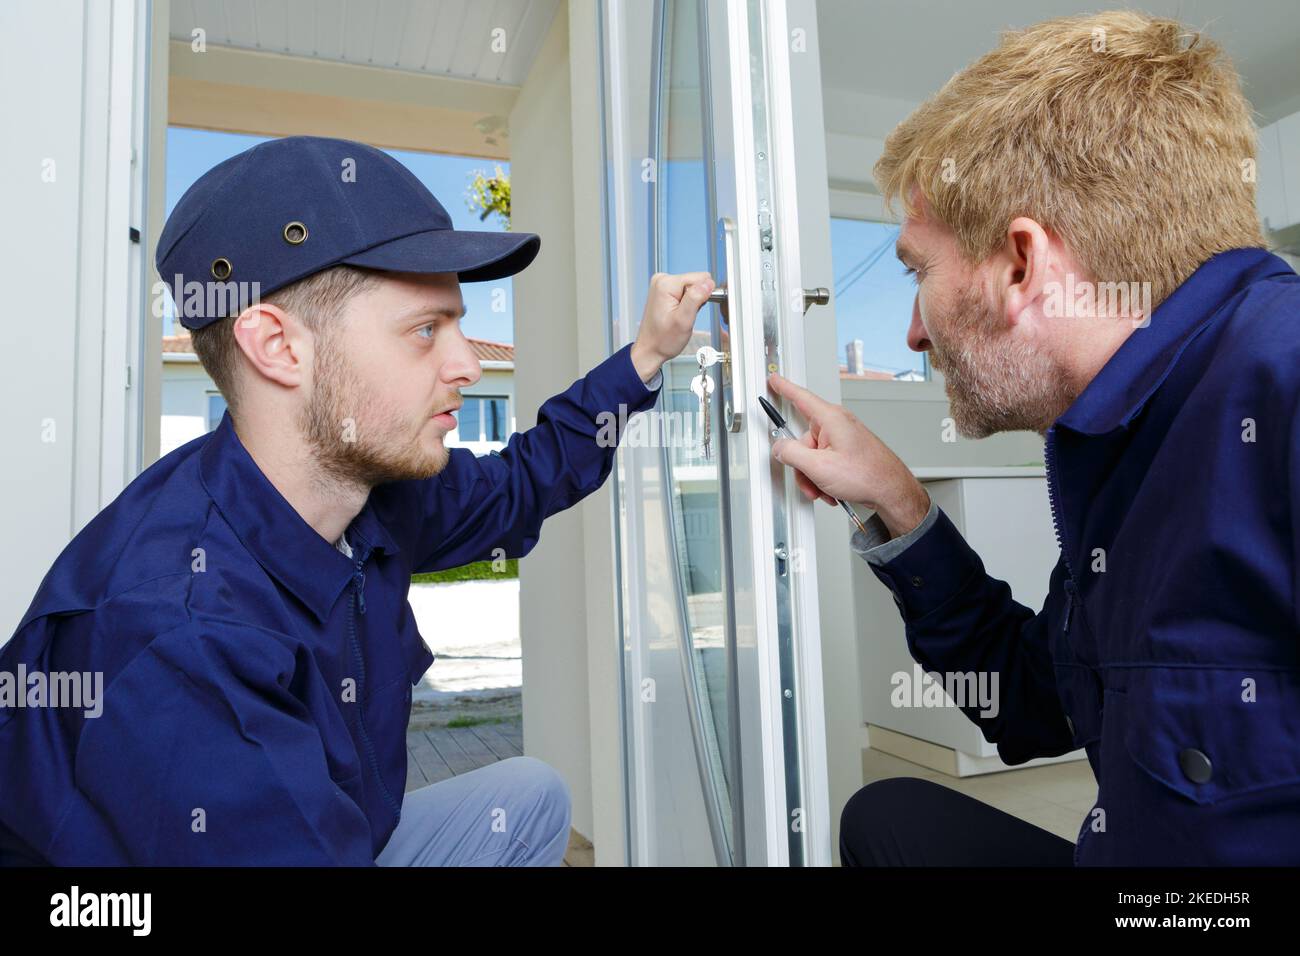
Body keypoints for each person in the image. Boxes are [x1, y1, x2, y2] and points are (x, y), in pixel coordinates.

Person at [0, 135, 714, 865]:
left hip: (337, 829)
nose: (468, 364)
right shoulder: (184, 643)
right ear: (277, 347)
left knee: (530, 796)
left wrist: (645, 358)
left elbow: (522, 481)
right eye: (426, 329)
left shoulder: (367, 490)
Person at [767, 11, 1300, 865]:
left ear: (1022, 264)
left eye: (918, 271)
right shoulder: (1120, 442)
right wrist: (901, 507)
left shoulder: (1281, 386)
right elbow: (1032, 704)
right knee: (891, 818)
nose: (912, 331)